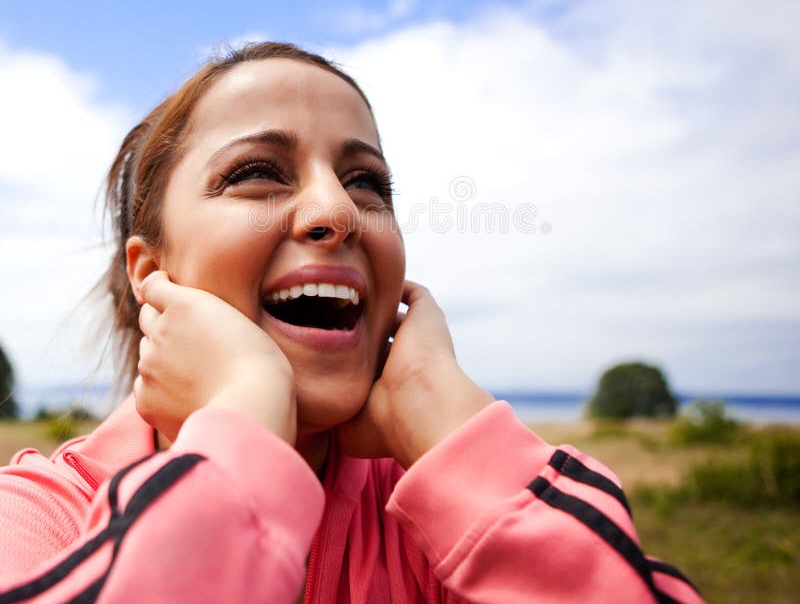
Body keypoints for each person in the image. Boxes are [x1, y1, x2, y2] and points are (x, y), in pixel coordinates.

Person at [0, 42, 704, 603]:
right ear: (152, 274)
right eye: (258, 172)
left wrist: (440, 409)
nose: (337, 211)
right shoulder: (38, 519)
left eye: (366, 182)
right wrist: (244, 417)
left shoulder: (443, 519)